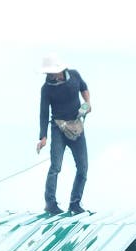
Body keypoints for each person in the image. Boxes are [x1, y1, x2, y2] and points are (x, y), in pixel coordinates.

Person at [37, 53, 91, 215]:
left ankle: (75, 203)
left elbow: (84, 88)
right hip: (58, 127)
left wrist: (87, 103)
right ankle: (50, 203)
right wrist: (43, 137)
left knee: (83, 168)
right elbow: (44, 113)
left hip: (76, 126)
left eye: (52, 72)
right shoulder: (46, 89)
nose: (50, 75)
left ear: (60, 70)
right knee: (55, 167)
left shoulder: (74, 76)